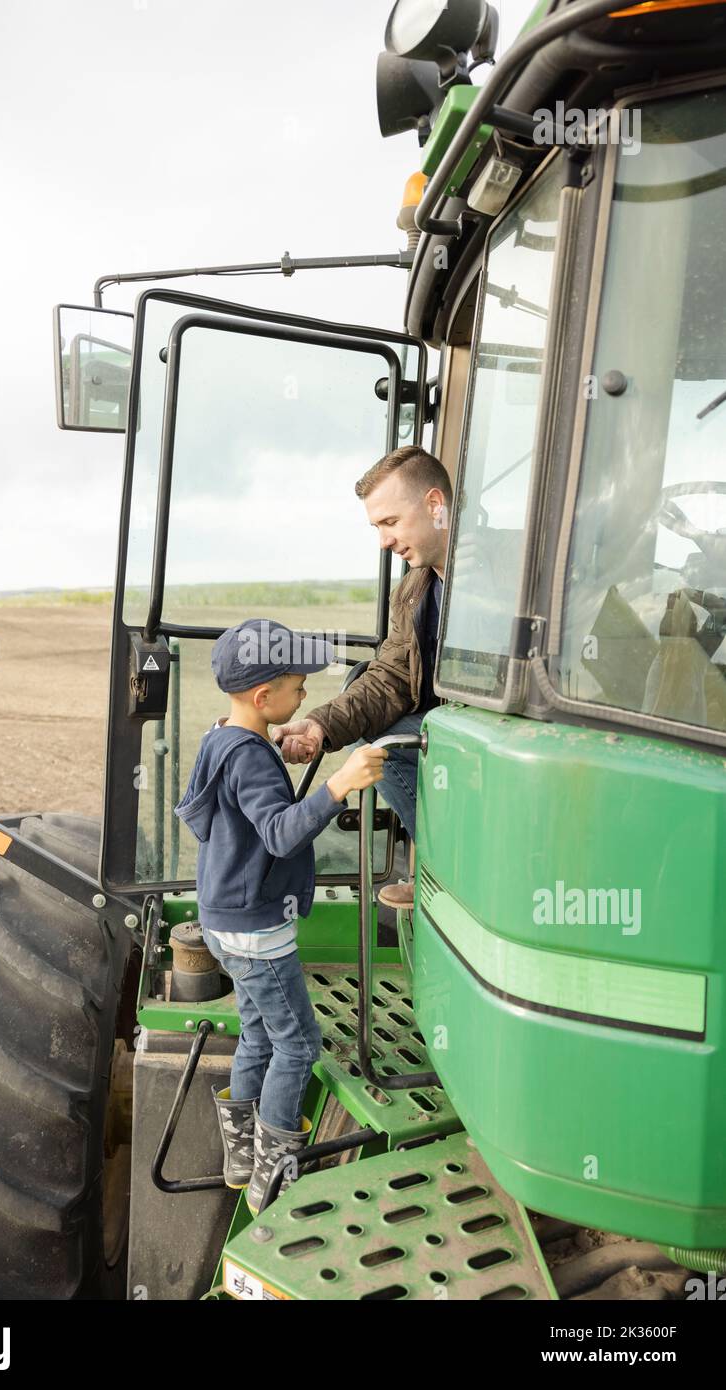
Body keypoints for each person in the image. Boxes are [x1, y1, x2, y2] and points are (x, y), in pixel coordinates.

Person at [173, 616, 387, 1214]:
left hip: (223, 920)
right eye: (298, 687)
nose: (305, 695)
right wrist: (340, 784)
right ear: (264, 697)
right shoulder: (253, 759)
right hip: (257, 932)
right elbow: (280, 835)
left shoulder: (223, 738)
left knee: (257, 1035)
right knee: (298, 1046)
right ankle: (276, 1178)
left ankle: (242, 1160)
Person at [272, 445, 452, 909]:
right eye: (377, 528)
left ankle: (444, 868)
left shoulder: (507, 574)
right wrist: (320, 726)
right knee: (371, 718)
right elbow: (390, 675)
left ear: (435, 505)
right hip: (452, 730)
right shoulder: (414, 590)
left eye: (390, 523)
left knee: (387, 744)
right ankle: (442, 862)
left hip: (494, 736)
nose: (384, 541)